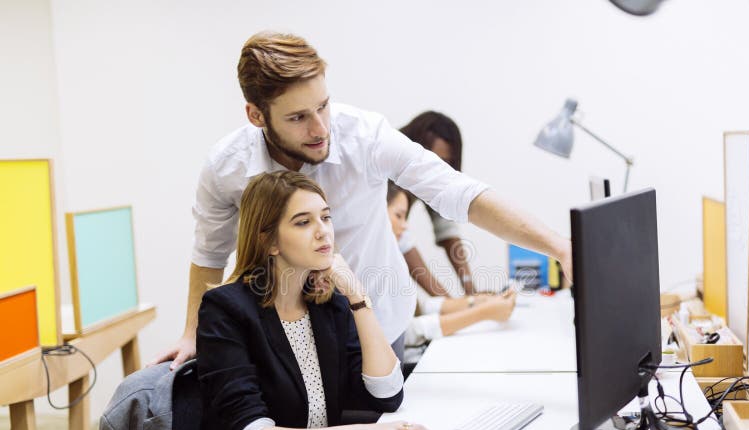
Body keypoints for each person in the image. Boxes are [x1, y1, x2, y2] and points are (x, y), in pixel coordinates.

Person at [152, 31, 572, 370]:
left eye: (323, 106)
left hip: (377, 326)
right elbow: (209, 254)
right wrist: (192, 333)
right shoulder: (226, 167)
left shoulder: (366, 136)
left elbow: (459, 193)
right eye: (298, 117)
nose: (320, 129)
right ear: (256, 116)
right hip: (284, 337)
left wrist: (560, 248)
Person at [194, 170, 438, 430]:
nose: (323, 230)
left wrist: (358, 298)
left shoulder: (326, 304)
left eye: (326, 217)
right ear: (270, 241)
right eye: (303, 222)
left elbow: (386, 393)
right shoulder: (226, 310)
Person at [386, 182, 516, 351]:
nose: (405, 226)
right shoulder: (372, 265)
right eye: (399, 216)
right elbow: (408, 332)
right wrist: (483, 312)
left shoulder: (391, 255)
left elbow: (418, 309)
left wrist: (474, 301)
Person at [398, 111, 476, 296]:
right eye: (433, 161)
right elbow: (402, 243)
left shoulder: (428, 179)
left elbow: (447, 228)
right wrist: (455, 304)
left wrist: (471, 291)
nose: (437, 170)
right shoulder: (388, 174)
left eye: (446, 163)